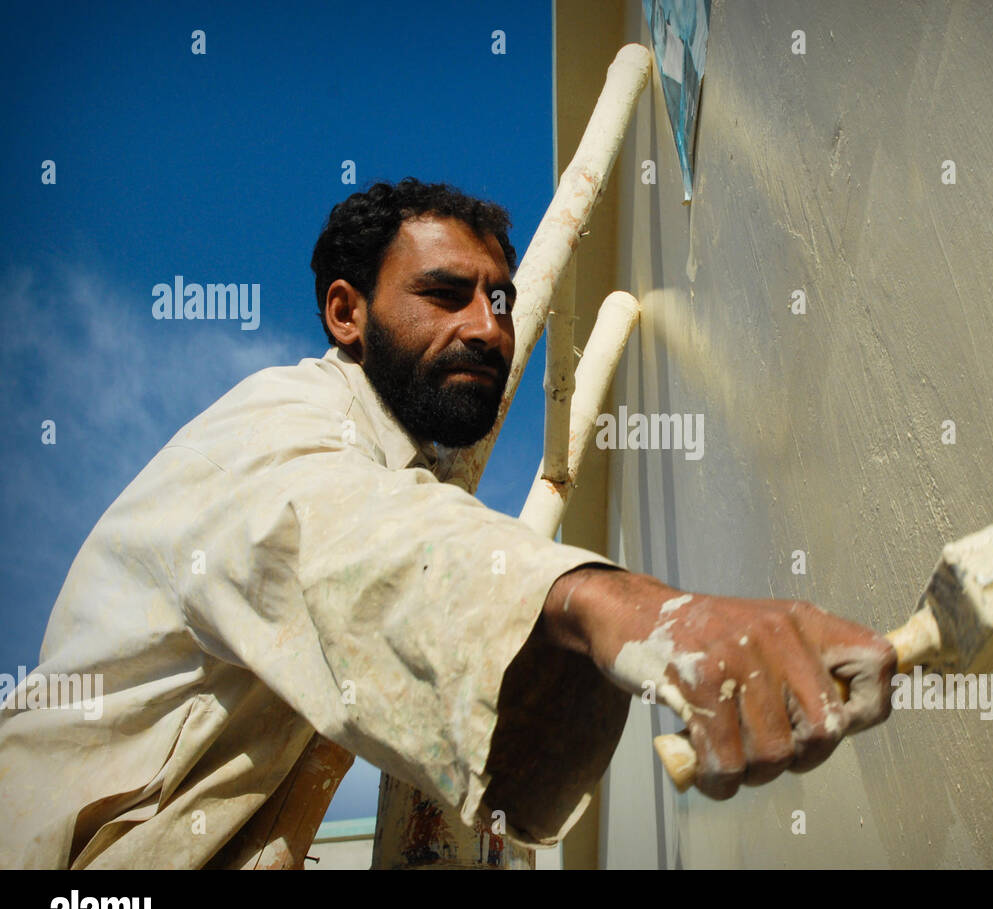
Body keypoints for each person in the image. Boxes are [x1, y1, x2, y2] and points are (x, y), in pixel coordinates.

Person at [0, 179, 895, 869]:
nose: (489, 327)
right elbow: (341, 535)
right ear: (346, 313)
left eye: (501, 299)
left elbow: (517, 774)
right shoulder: (282, 419)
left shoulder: (403, 470)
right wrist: (637, 613)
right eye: (446, 293)